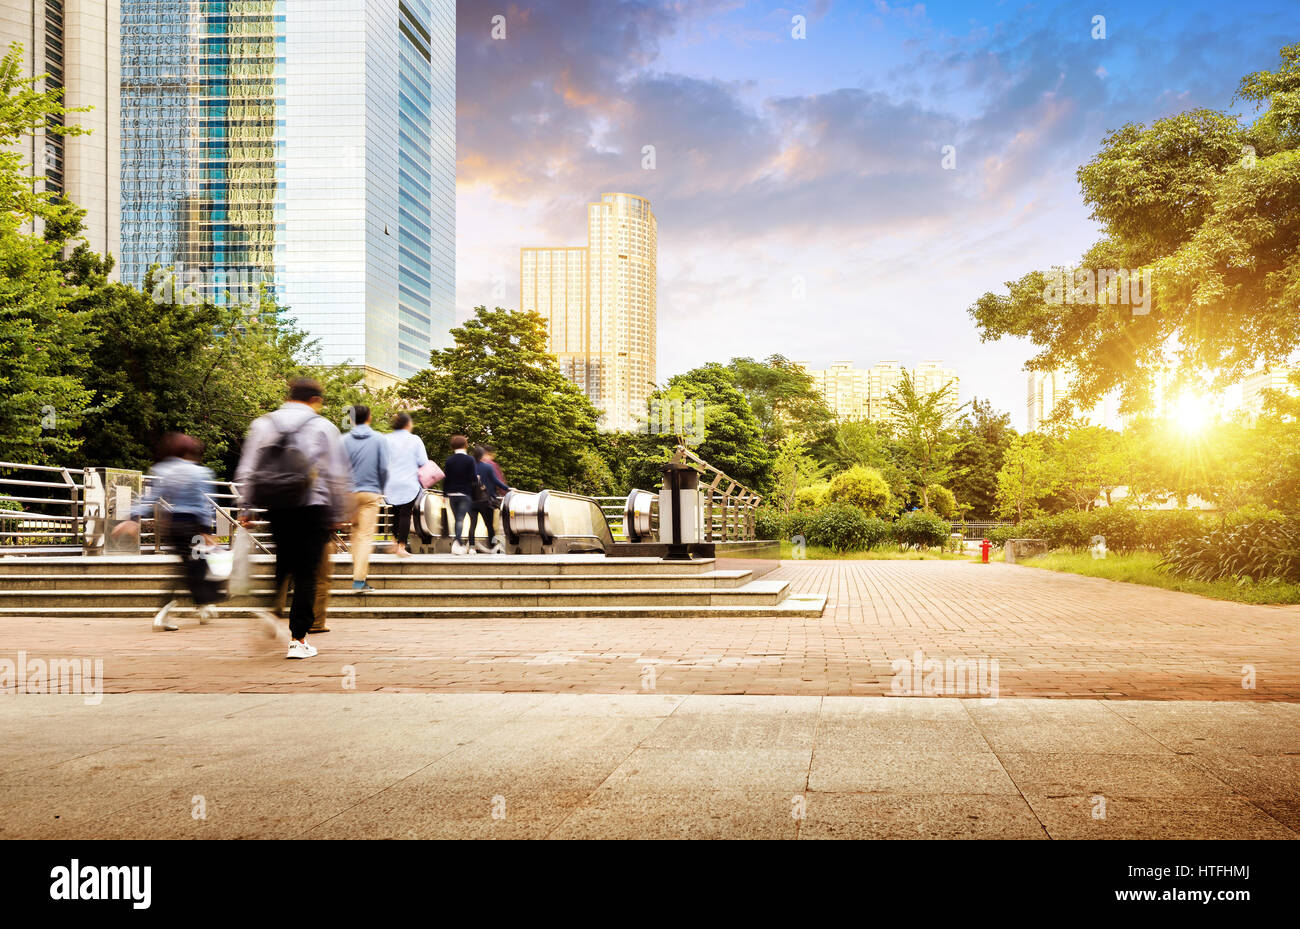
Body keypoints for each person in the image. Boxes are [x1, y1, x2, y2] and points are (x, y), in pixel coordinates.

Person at [236, 377, 352, 660]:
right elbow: (336, 475)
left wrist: (246, 507)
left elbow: (248, 468)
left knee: (284, 561)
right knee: (307, 572)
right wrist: (339, 514)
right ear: (315, 400)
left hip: (278, 506)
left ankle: (272, 609)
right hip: (313, 506)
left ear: (289, 396)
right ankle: (298, 640)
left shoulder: (264, 424)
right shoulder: (324, 426)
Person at [113, 433, 224, 632]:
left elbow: (150, 498)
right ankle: (166, 611)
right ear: (190, 451)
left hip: (174, 527)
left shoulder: (163, 470)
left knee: (194, 565)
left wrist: (133, 519)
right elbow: (202, 504)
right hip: (192, 527)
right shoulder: (200, 473)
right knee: (190, 568)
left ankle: (203, 605)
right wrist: (207, 531)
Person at [342, 405, 389, 592]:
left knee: (355, 536)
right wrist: (381, 488)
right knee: (364, 537)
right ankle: (359, 580)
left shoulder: (343, 440)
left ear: (351, 420)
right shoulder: (379, 439)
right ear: (369, 418)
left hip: (349, 493)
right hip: (370, 493)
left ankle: (358, 574)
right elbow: (384, 468)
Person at [383, 412, 430, 557]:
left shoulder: (386, 439)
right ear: (408, 424)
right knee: (405, 514)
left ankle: (394, 540)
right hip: (409, 482)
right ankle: (401, 546)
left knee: (395, 512)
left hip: (390, 483)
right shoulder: (415, 440)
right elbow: (424, 461)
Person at [469, 445, 509, 552]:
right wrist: (507, 488)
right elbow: (496, 481)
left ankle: (472, 547)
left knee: (472, 524)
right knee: (489, 526)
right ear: (482, 455)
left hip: (471, 501)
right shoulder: (488, 467)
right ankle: (492, 546)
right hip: (485, 501)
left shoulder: (469, 468)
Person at [443, 435, 478, 555]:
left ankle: (457, 542)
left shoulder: (449, 460)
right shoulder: (470, 460)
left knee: (457, 519)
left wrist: (444, 494)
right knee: (460, 519)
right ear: (465, 445)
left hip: (452, 494)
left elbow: (446, 479)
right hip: (464, 493)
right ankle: (458, 542)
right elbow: (473, 478)